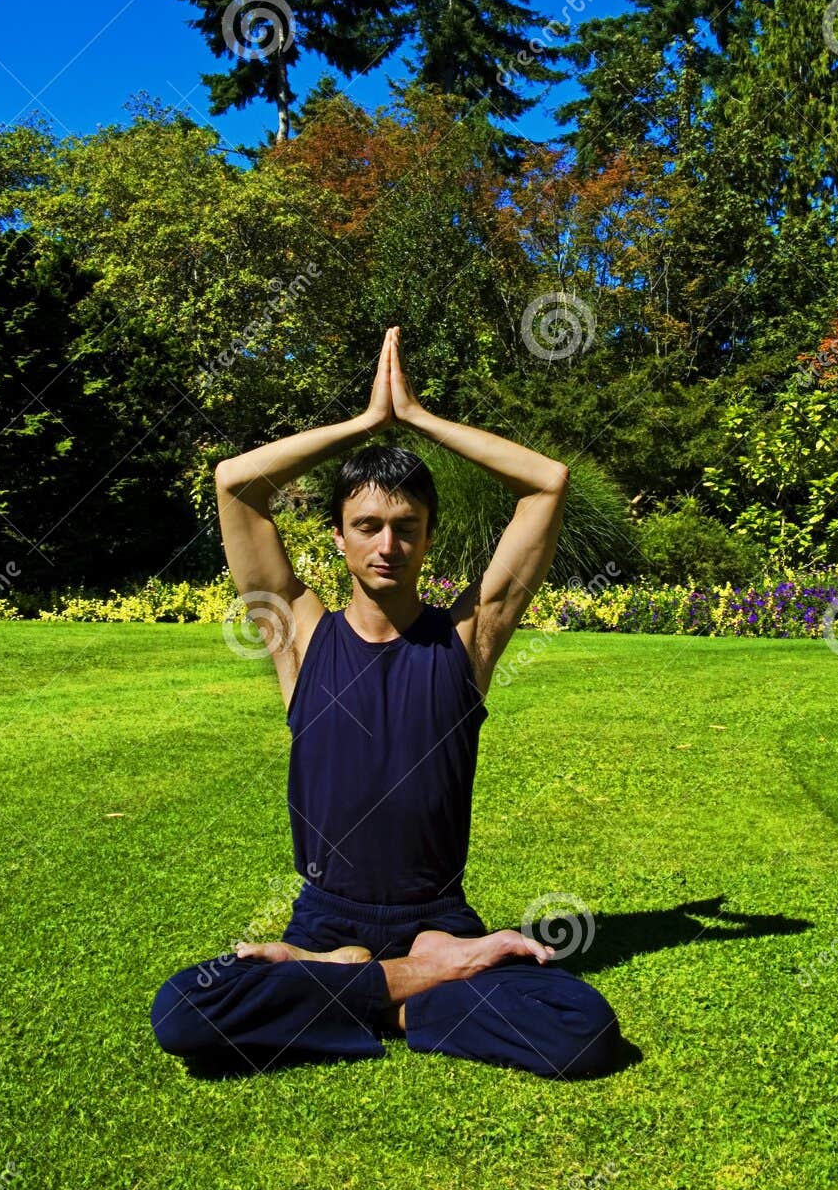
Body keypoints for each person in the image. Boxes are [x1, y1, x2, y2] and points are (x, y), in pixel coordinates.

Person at [150, 327, 622, 1080]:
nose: (387, 545)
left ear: (427, 538)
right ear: (337, 537)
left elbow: (547, 483)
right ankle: (406, 983)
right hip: (325, 916)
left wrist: (420, 417)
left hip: (437, 917)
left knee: (584, 1028)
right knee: (182, 1012)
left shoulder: (467, 639)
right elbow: (235, 483)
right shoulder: (299, 637)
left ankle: (341, 982)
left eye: (407, 528)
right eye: (367, 526)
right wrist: (365, 424)